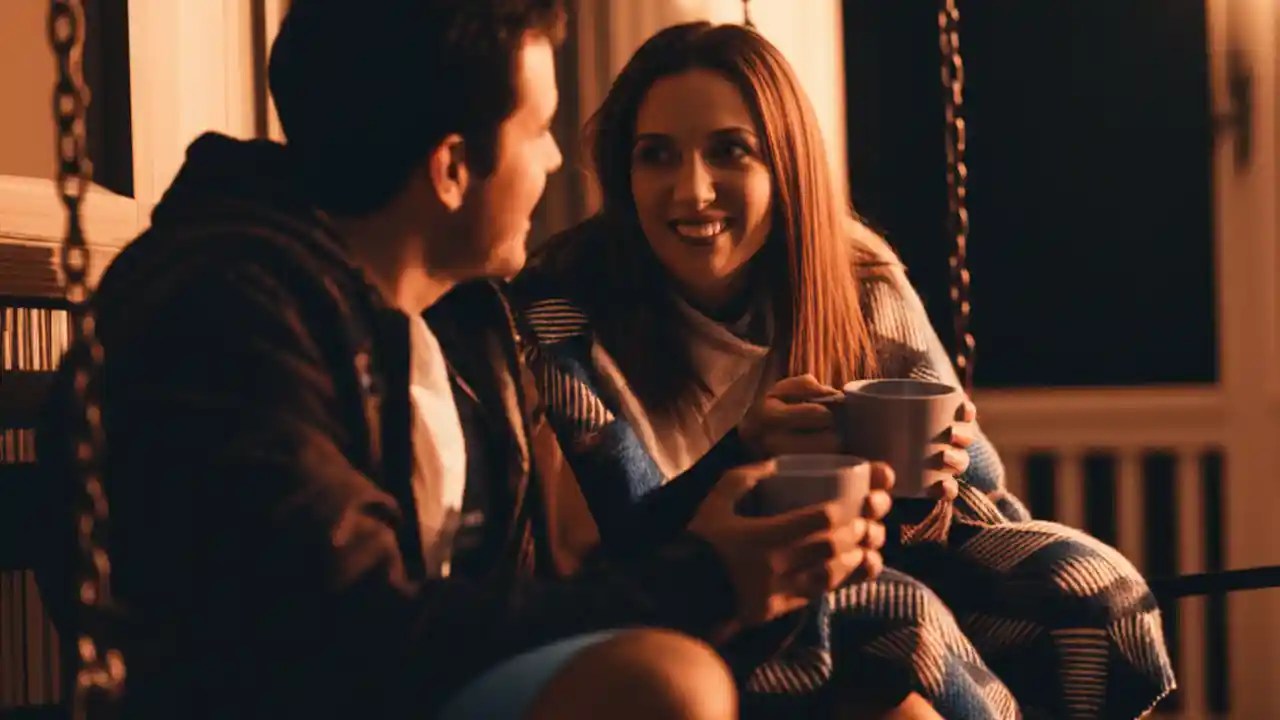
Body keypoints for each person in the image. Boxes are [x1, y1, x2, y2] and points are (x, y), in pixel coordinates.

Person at [34, 3, 896, 719]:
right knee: (667, 686)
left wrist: (739, 513)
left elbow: (535, 596)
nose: (558, 160)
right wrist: (708, 578)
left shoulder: (463, 321)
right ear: (452, 168)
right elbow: (352, 634)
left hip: (423, 682)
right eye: (541, 130)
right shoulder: (225, 315)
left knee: (888, 696)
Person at [513, 21, 1177, 719]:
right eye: (657, 156)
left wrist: (928, 483)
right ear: (624, 172)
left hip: (857, 573)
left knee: (1094, 592)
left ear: (785, 163)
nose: (693, 190)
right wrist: (742, 454)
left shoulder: (857, 278)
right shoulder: (566, 309)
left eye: (730, 151)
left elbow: (983, 505)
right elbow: (625, 544)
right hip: (680, 616)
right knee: (897, 613)